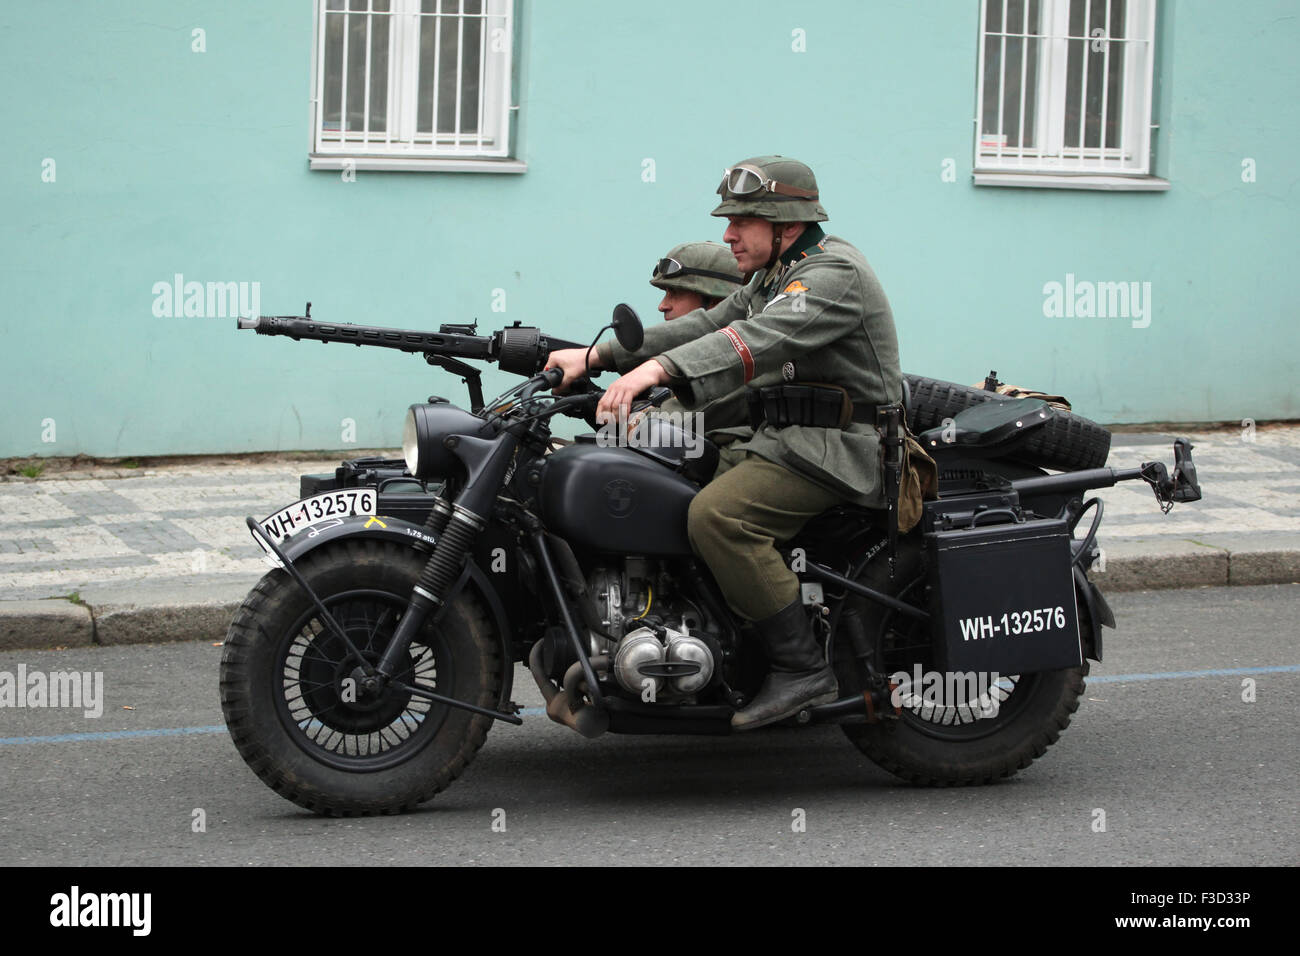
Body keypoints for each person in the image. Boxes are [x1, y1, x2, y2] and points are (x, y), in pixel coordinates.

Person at [547, 156, 904, 730]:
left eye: (742, 222)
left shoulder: (832, 276)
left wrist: (653, 374)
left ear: (785, 225)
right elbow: (706, 326)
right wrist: (598, 355)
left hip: (837, 447)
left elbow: (751, 340)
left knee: (718, 518)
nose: (728, 234)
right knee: (664, 489)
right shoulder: (774, 276)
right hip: (785, 441)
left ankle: (802, 668)